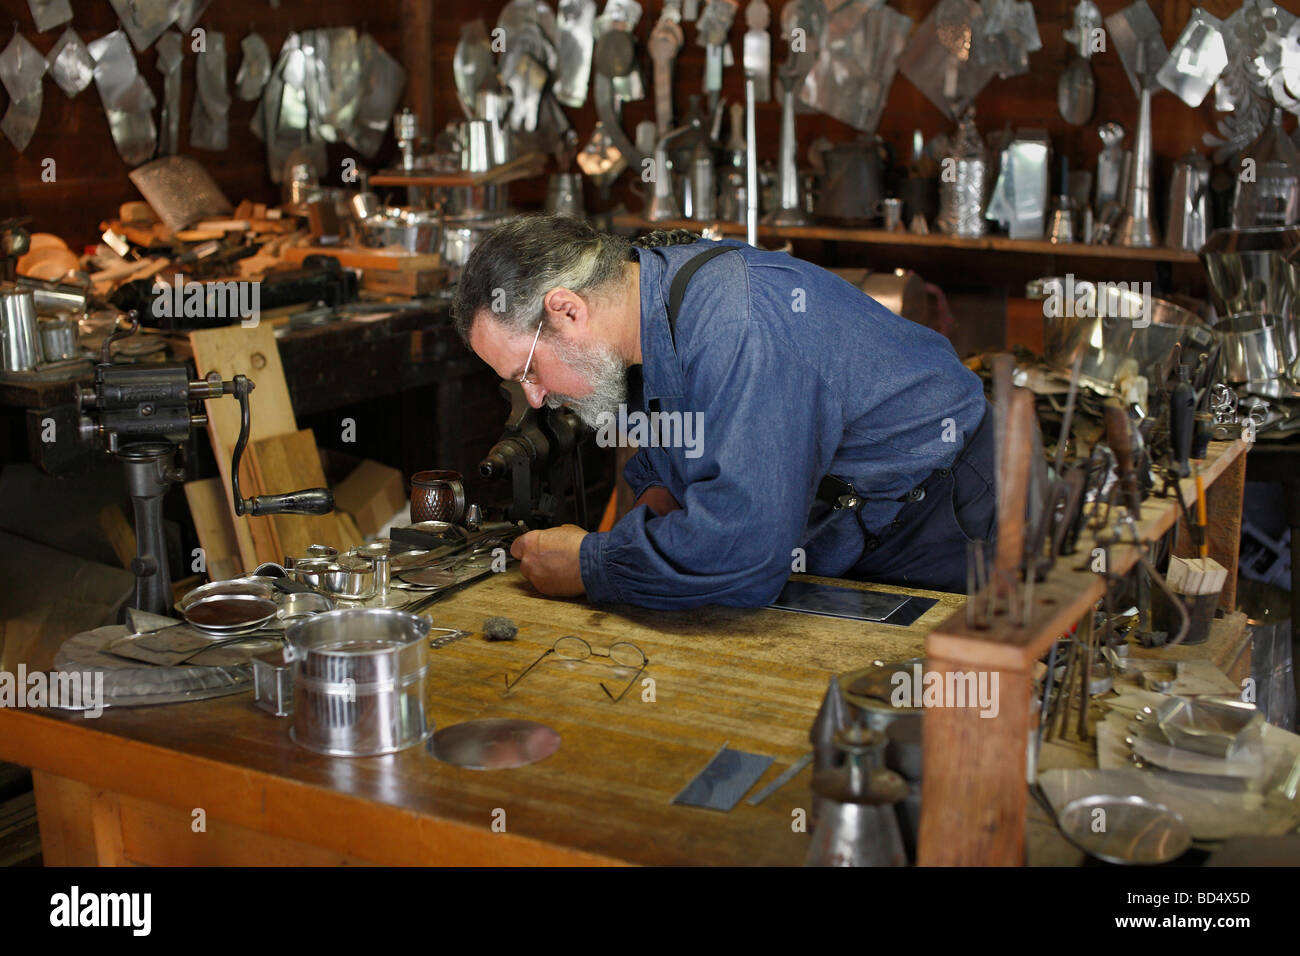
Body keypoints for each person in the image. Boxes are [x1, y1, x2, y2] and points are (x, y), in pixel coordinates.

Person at [451, 216, 995, 610]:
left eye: (528, 370)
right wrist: (659, 503)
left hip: (946, 522)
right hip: (846, 528)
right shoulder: (648, 304)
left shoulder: (738, 326)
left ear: (568, 310)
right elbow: (675, 452)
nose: (537, 397)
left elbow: (746, 555)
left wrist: (593, 564)